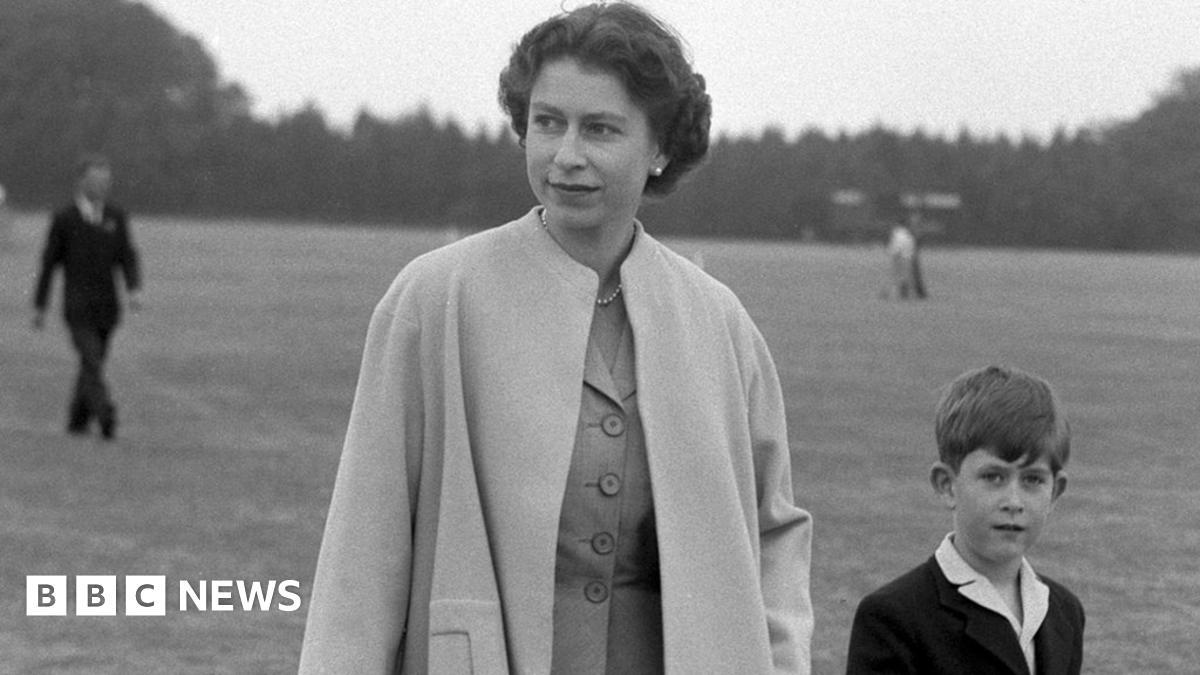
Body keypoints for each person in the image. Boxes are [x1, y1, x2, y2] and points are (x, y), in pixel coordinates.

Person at [299, 3, 813, 673]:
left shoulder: (720, 324)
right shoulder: (434, 300)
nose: (566, 156)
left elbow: (773, 537)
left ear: (659, 147)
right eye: (547, 123)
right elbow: (363, 547)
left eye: (600, 129)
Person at [846, 365, 1084, 674]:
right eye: (993, 477)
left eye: (1033, 480)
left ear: (1056, 491)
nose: (1013, 502)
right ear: (946, 484)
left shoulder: (1064, 611)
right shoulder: (895, 617)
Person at [32, 154, 141, 440]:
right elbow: (49, 264)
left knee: (92, 362)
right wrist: (40, 306)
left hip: (107, 307)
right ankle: (106, 414)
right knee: (91, 360)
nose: (102, 187)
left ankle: (77, 420)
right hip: (77, 306)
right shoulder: (64, 219)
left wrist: (133, 290)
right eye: (96, 181)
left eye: (106, 181)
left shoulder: (116, 217)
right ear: (81, 182)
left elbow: (127, 257)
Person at [885, 218, 925, 300]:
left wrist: (891, 253)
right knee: (907, 275)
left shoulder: (897, 233)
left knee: (896, 275)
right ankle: (908, 293)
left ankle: (895, 293)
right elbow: (911, 245)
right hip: (908, 256)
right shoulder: (908, 234)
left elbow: (895, 246)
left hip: (898, 256)